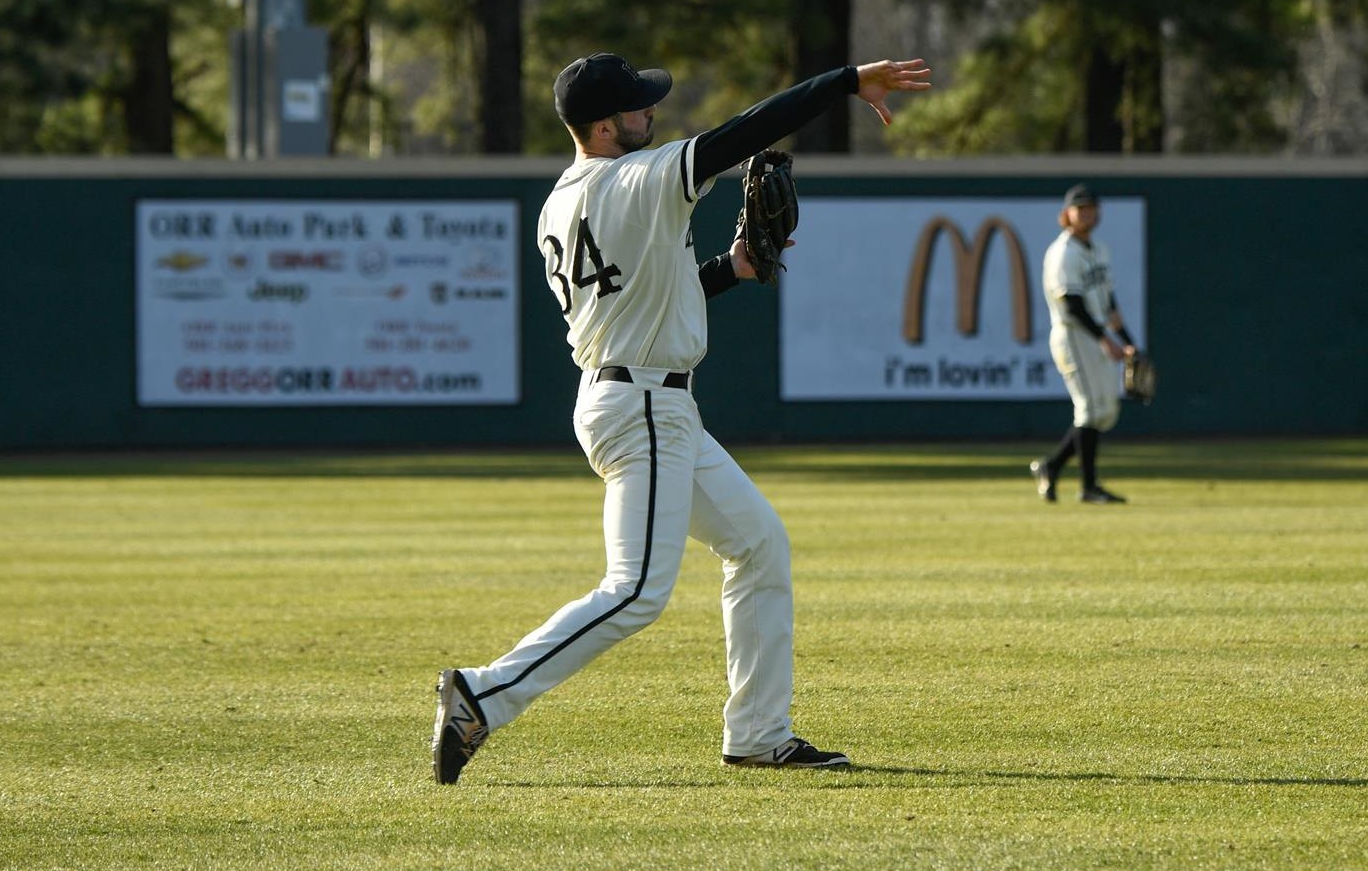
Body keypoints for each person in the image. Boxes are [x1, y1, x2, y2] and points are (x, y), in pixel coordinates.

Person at [432, 52, 932, 784]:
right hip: (642, 404)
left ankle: (759, 732)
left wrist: (731, 268)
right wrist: (847, 82)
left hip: (634, 397)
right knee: (635, 592)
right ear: (604, 126)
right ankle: (482, 695)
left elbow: (643, 299)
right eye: (637, 107)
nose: (652, 112)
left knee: (759, 544)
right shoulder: (641, 175)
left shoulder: (562, 199)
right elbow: (746, 132)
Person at [1032, 184, 1136, 505]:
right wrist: (1106, 341)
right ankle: (1088, 486)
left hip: (1094, 333)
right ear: (1067, 214)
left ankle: (1052, 466)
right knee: (1090, 408)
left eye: (1091, 207)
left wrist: (1128, 343)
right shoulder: (1063, 253)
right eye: (1080, 208)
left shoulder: (1099, 249)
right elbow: (1072, 306)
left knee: (1105, 411)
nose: (1087, 213)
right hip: (1072, 334)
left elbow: (1108, 302)